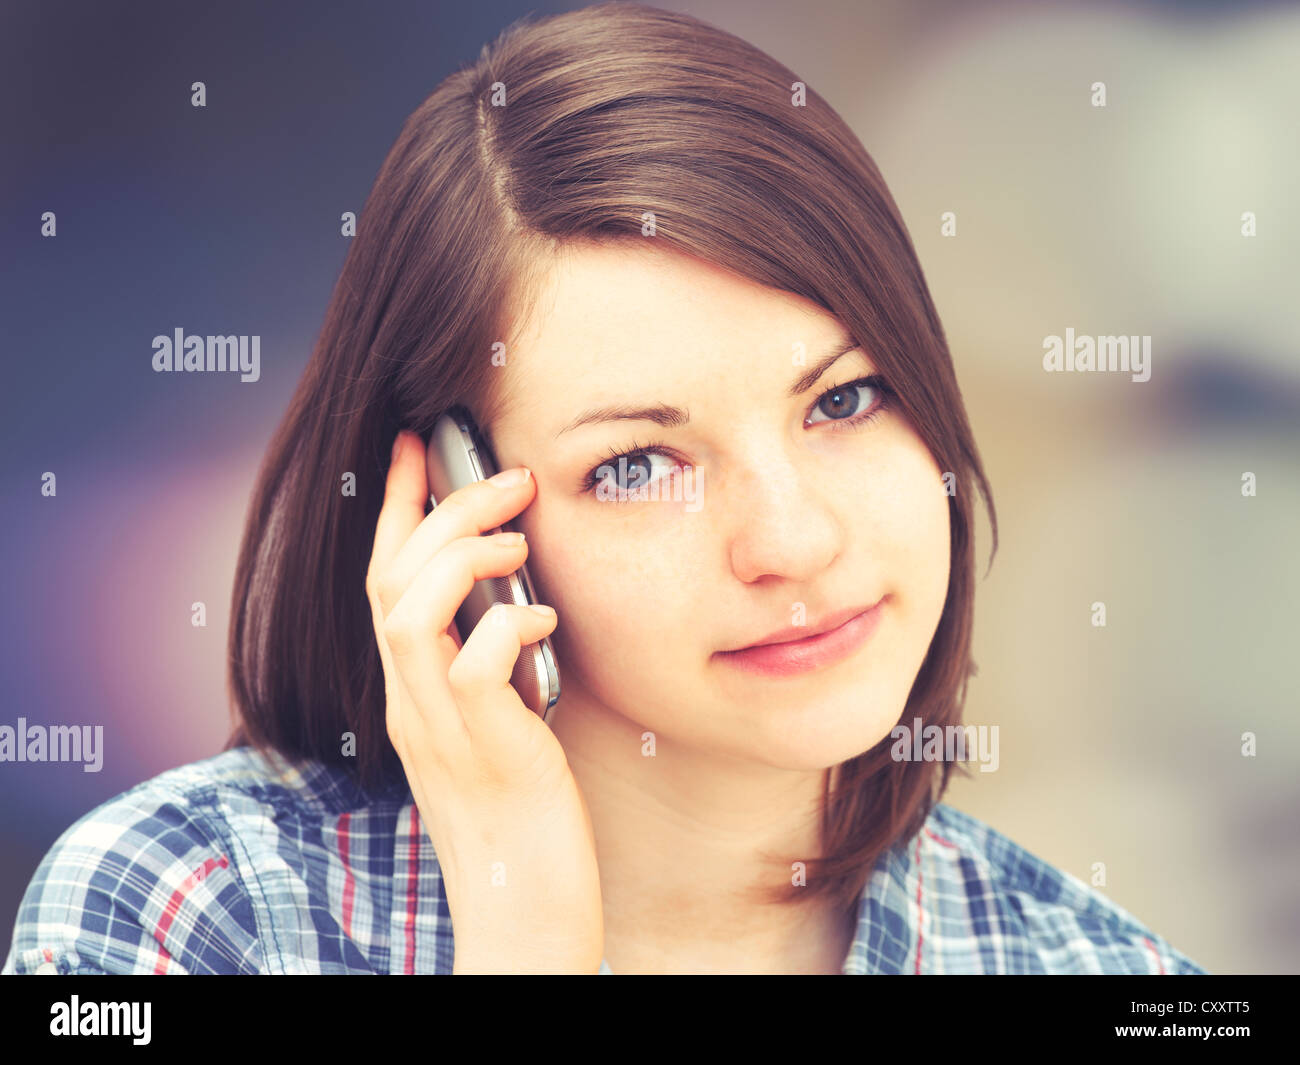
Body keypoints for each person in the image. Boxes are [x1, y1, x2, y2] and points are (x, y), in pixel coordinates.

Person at [3, 2, 1206, 975]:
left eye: (842, 401)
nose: (791, 538)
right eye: (636, 466)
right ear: (453, 521)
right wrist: (527, 939)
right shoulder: (188, 911)